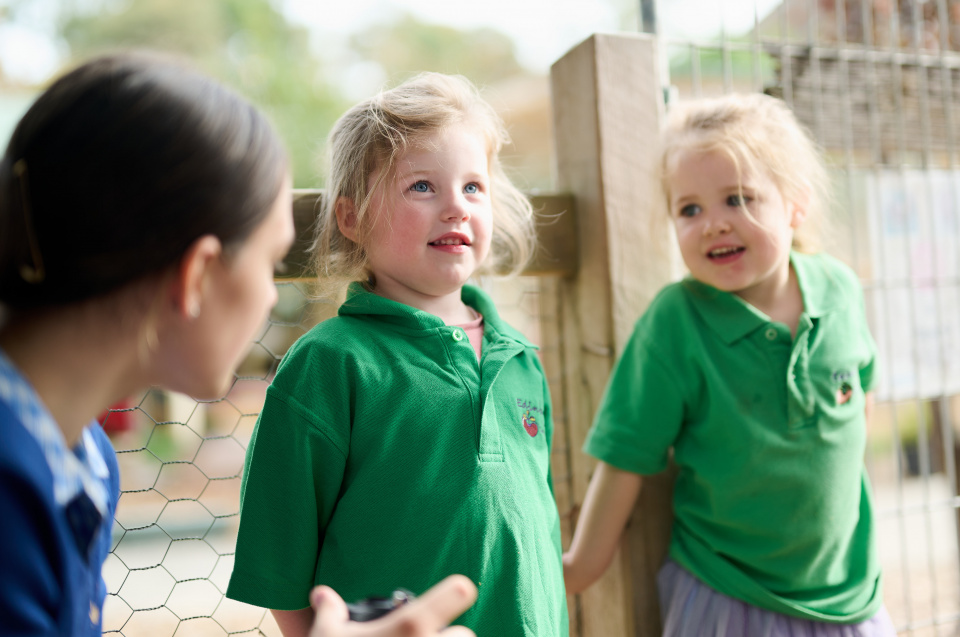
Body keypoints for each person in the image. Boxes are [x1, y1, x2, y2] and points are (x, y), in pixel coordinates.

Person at [0, 51, 476, 637]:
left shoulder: (83, 458)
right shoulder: (12, 489)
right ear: (197, 276)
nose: (271, 298)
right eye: (271, 263)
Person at [227, 72, 568, 637]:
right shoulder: (332, 361)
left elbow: (537, 532)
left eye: (473, 188)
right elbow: (281, 557)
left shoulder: (520, 360)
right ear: (352, 218)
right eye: (422, 187)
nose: (456, 207)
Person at [562, 92, 896, 636]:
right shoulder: (676, 321)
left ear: (795, 204)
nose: (713, 223)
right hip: (725, 598)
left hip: (849, 599)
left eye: (738, 199)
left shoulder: (837, 286)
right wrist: (578, 568)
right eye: (689, 209)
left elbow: (860, 393)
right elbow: (625, 456)